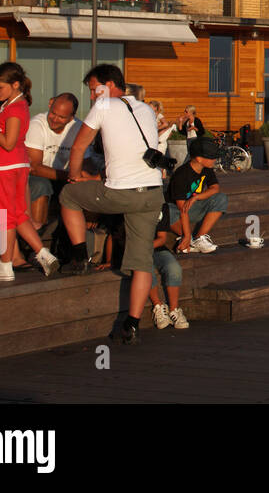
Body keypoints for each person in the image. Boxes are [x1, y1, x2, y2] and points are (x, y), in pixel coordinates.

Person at [59, 64, 166, 346]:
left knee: (68, 197)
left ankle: (80, 256)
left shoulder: (104, 105)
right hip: (152, 192)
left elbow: (79, 147)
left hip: (120, 193)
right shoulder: (145, 109)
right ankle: (132, 323)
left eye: (94, 89)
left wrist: (74, 177)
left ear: (108, 85)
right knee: (142, 261)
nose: (93, 96)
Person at [0, 62, 59, 281]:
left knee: (4, 216)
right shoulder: (14, 105)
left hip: (5, 167)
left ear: (15, 84)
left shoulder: (15, 108)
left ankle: (6, 265)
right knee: (18, 214)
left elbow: (9, 143)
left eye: (0, 87)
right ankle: (43, 253)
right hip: (18, 166)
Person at [25, 93, 85, 231]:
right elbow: (34, 167)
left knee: (83, 187)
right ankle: (35, 239)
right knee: (41, 185)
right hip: (38, 176)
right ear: (50, 105)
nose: (54, 119)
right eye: (53, 113)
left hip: (65, 176)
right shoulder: (37, 124)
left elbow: (86, 161)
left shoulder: (79, 127)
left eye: (61, 117)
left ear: (71, 117)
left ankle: (80, 240)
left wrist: (81, 178)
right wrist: (71, 176)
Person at [167, 137, 228, 254]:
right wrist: (187, 234)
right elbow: (182, 209)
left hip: (194, 208)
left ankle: (199, 238)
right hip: (178, 213)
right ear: (199, 159)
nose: (215, 159)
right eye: (212, 157)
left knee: (221, 198)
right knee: (166, 211)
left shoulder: (207, 168)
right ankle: (188, 239)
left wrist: (196, 197)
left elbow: (215, 188)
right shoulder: (181, 174)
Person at [148, 204, 188, 330]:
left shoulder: (161, 206)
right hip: (136, 250)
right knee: (145, 270)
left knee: (173, 267)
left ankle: (174, 310)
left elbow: (162, 238)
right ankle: (158, 307)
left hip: (156, 248)